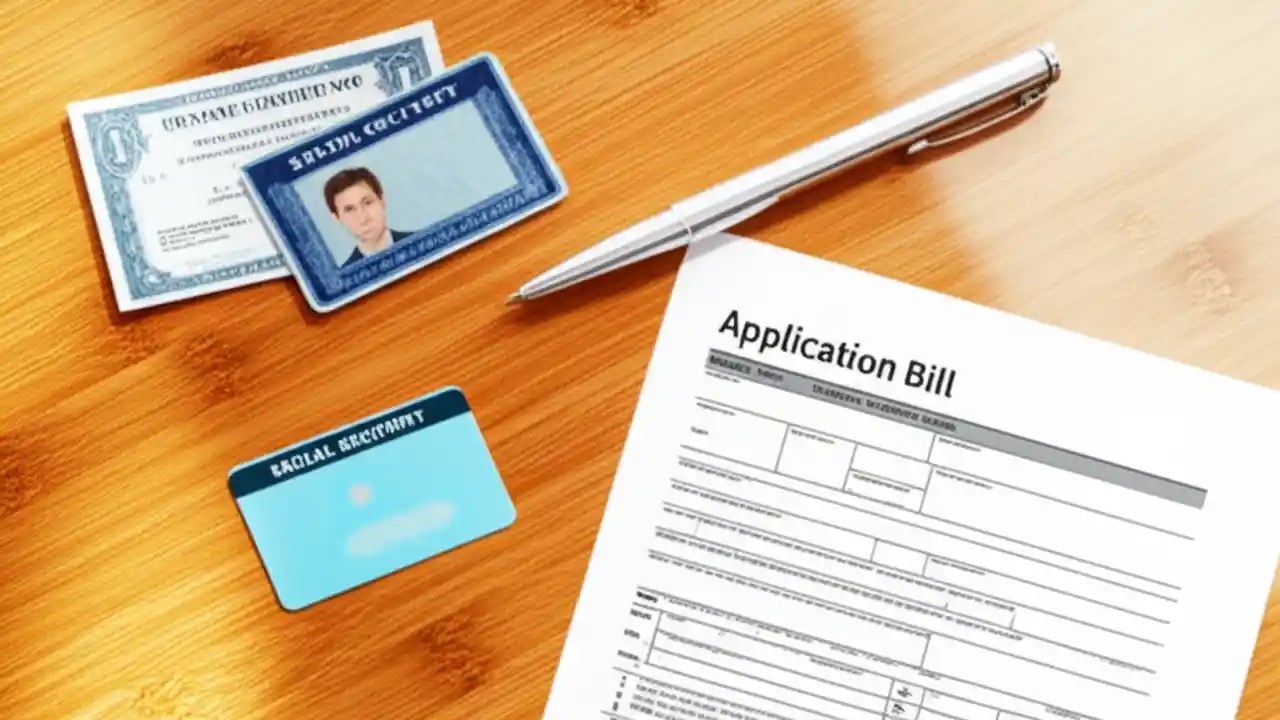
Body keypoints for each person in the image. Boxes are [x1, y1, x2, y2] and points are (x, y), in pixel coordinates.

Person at [322, 167, 412, 268]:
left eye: (368, 203)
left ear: (382, 201)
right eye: (350, 210)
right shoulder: (344, 277)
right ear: (337, 218)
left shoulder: (421, 240)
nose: (363, 219)